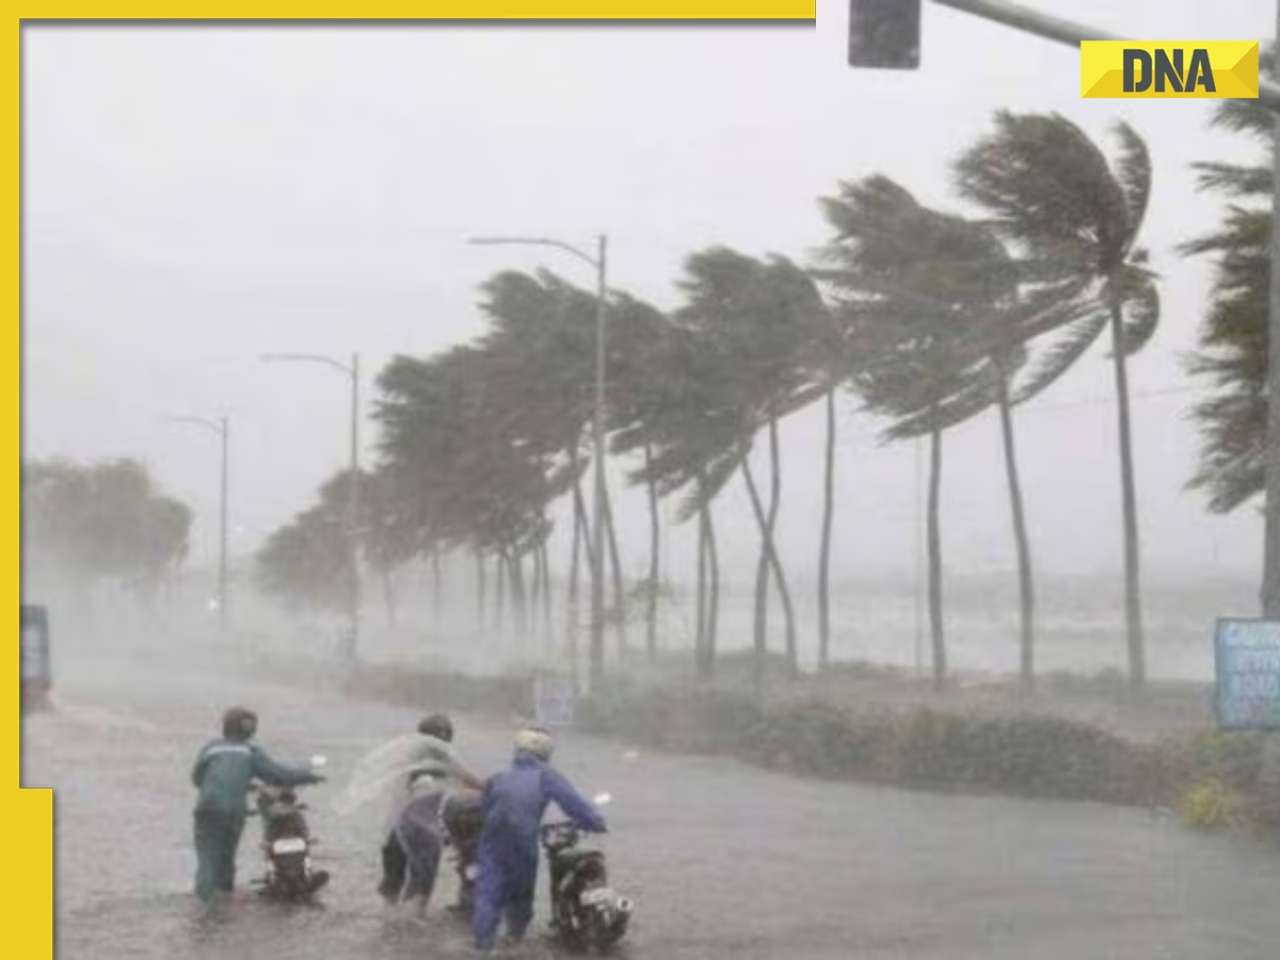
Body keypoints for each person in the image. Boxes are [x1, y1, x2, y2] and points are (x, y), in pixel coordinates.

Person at [472, 726, 606, 953]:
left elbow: (485, 809)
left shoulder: (498, 776)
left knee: (488, 894)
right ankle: (514, 943)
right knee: (521, 894)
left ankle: (483, 949)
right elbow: (574, 804)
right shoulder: (546, 776)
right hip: (522, 840)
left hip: (491, 840)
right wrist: (596, 823)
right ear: (546, 753)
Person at [190, 706, 323, 903]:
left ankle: (204, 908)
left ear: (226, 726)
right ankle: (224, 903)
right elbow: (277, 774)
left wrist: (236, 785)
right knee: (227, 859)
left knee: (208, 859)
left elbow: (197, 778)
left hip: (207, 810)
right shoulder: (249, 751)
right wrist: (309, 777)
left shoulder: (210, 748)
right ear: (250, 730)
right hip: (235, 811)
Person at [375, 713, 484, 914]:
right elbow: (469, 781)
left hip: (395, 830)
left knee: (393, 883)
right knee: (420, 884)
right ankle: (409, 925)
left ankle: (389, 924)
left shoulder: (407, 757)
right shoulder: (439, 762)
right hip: (420, 831)